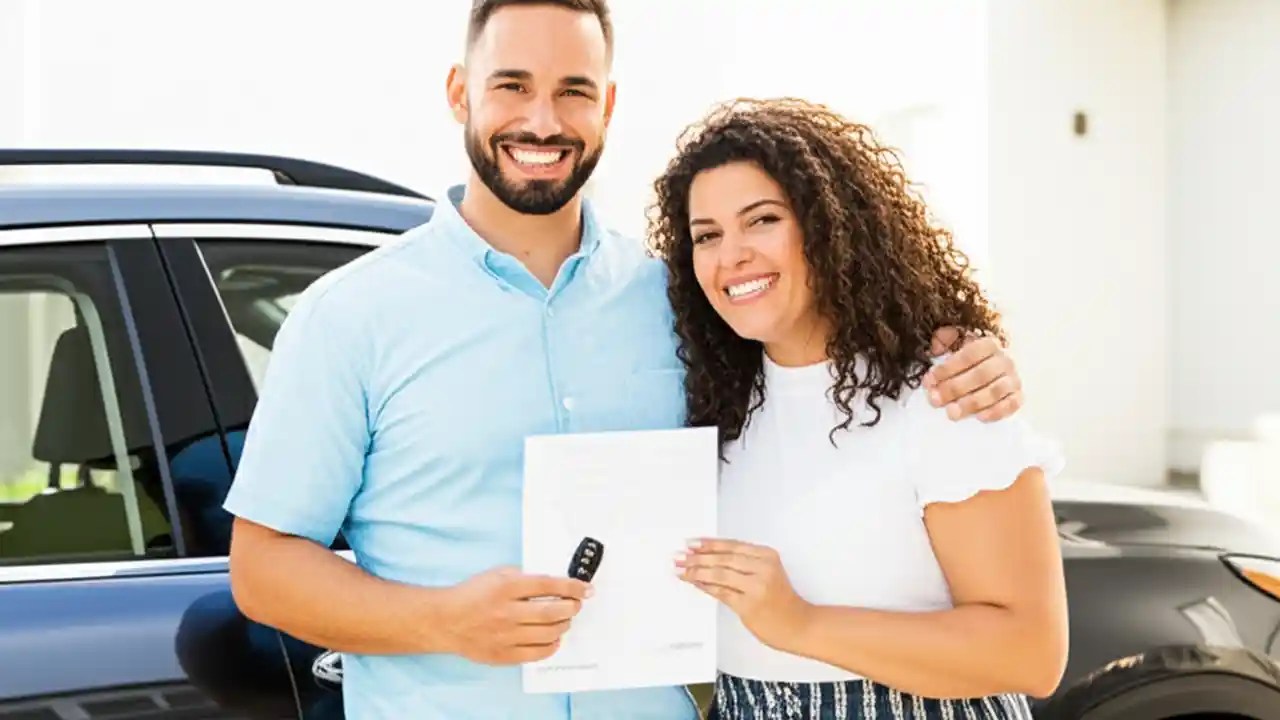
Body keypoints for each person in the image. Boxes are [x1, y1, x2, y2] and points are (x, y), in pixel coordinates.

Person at [224, 2, 1031, 718]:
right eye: (511, 85)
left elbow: (824, 377)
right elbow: (263, 571)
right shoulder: (349, 316)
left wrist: (967, 351)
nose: (543, 120)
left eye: (574, 90)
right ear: (459, 94)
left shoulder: (690, 304)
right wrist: (441, 619)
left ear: (607, 105)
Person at [654, 98, 1069, 720]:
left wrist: (802, 624)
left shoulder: (947, 393)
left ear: (829, 227)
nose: (730, 254)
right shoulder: (718, 408)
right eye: (706, 235)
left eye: (762, 220)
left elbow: (1031, 652)